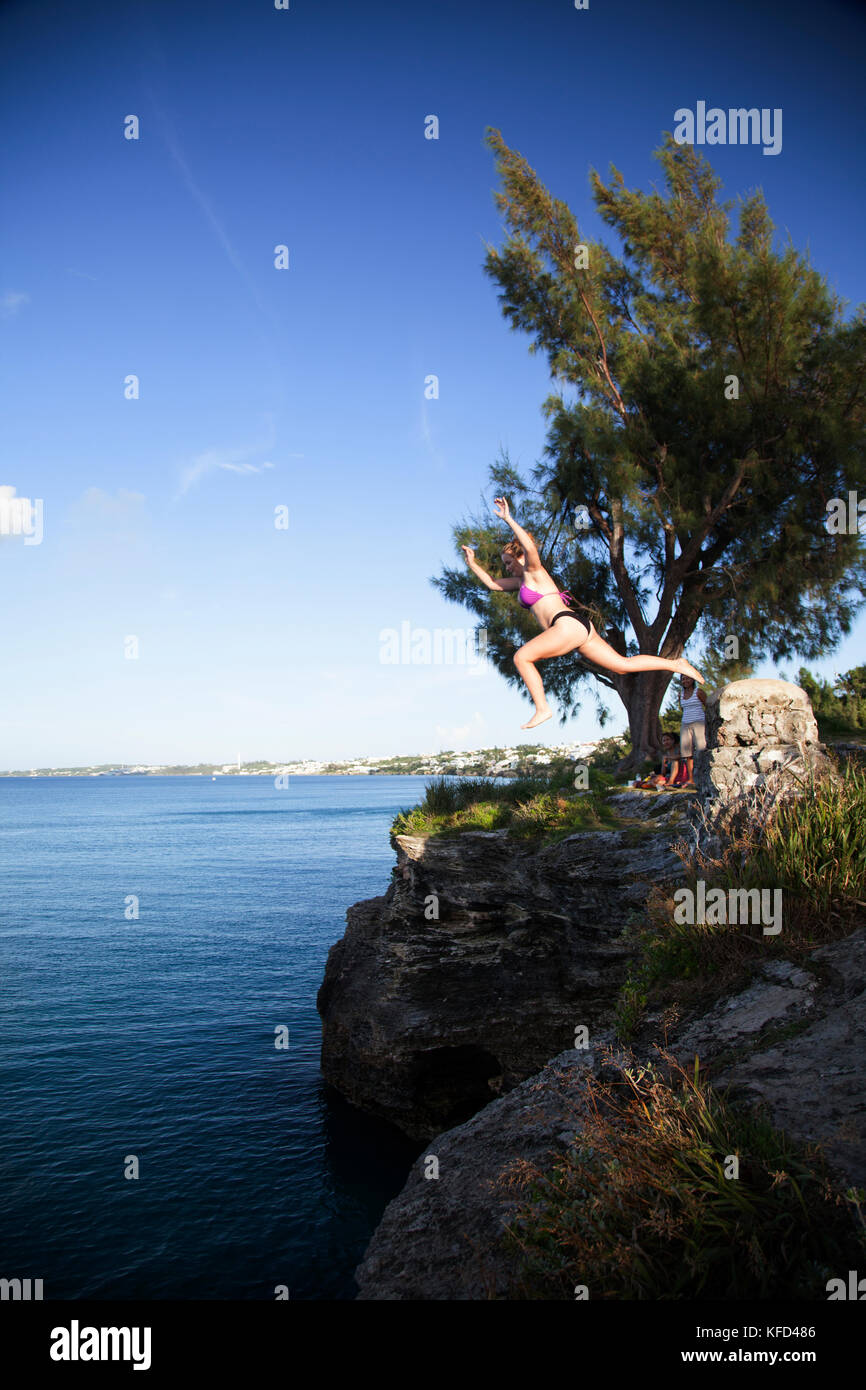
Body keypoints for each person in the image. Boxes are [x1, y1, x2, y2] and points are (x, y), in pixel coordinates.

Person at [461, 497, 705, 729]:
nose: (507, 567)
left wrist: (508, 519)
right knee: (622, 665)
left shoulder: (534, 571)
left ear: (521, 557)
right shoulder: (520, 583)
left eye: (508, 562)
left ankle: (542, 708)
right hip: (579, 629)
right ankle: (675, 663)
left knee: (521, 657)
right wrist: (472, 564)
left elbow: (529, 547)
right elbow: (492, 584)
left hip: (566, 625)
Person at [678, 676, 708, 787]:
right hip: (685, 723)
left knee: (701, 750)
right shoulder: (680, 694)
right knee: (687, 753)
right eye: (683, 679)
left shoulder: (698, 692)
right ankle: (691, 779)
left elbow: (707, 705)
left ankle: (705, 775)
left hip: (699, 722)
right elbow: (682, 708)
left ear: (693, 680)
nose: (685, 681)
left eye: (688, 679)